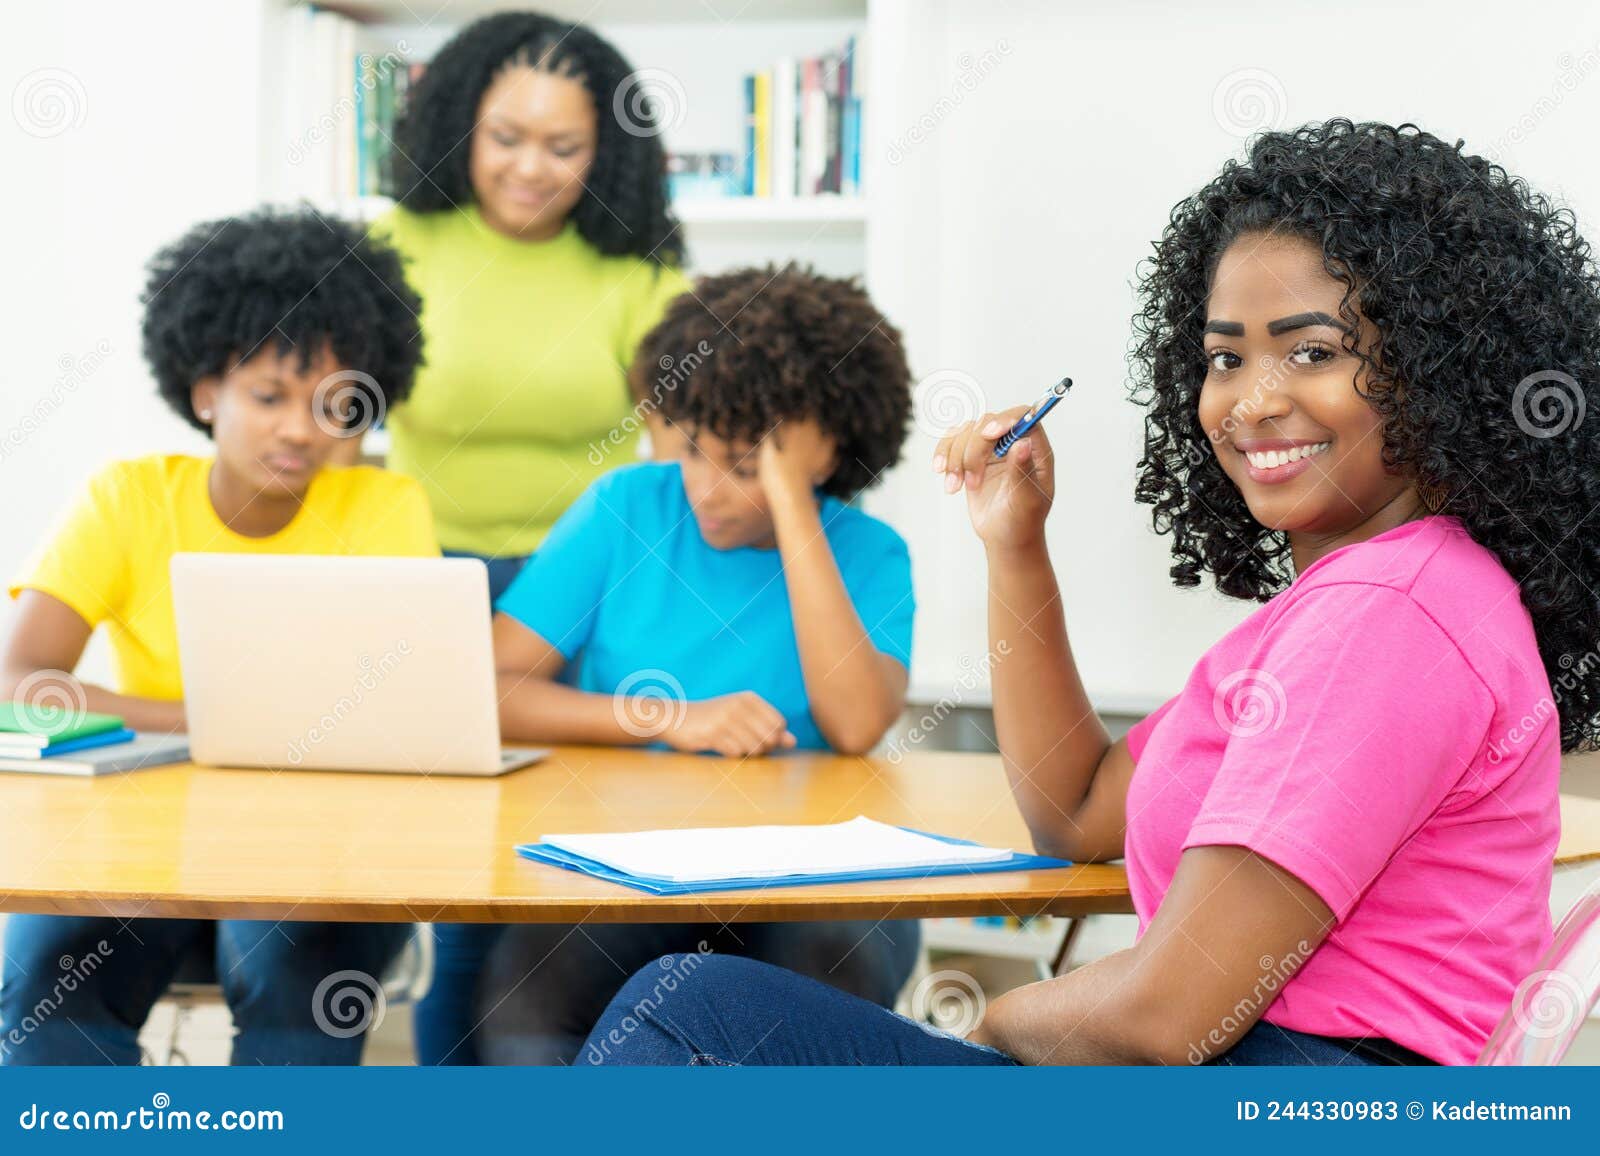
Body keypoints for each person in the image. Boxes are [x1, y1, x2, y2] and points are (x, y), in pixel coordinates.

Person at [583, 121, 1598, 1066]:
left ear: (1436, 370)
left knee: (681, 1011)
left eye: (1313, 352)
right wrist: (1014, 546)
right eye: (1222, 357)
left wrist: (993, 1021)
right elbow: (1072, 812)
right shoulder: (1377, 595)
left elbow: (1166, 1014)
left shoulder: (1389, 612)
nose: (1252, 398)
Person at [0, 209, 436, 1065]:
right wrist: (199, 721)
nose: (300, 430)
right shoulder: (126, 500)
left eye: (330, 401)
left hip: (322, 851)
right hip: (141, 849)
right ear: (205, 393)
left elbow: (410, 711)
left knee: (296, 989)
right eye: (268, 396)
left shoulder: (388, 511)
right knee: (45, 993)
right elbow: (19, 682)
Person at [471, 265, 920, 1063]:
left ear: (831, 453)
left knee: (832, 976)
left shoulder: (868, 552)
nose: (709, 491)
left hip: (812, 884)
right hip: (626, 869)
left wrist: (792, 511)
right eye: (696, 453)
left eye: (747, 466)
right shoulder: (626, 510)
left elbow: (854, 724)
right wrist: (666, 719)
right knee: (524, 1001)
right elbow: (489, 689)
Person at [375, 15, 692, 1060]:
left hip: (583, 594)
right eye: (506, 137)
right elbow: (332, 431)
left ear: (608, 153)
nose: (530, 170)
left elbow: (675, 447)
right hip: (431, 586)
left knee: (551, 870)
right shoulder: (398, 244)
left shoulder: (634, 265)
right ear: (459, 124)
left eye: (564, 147)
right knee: (456, 883)